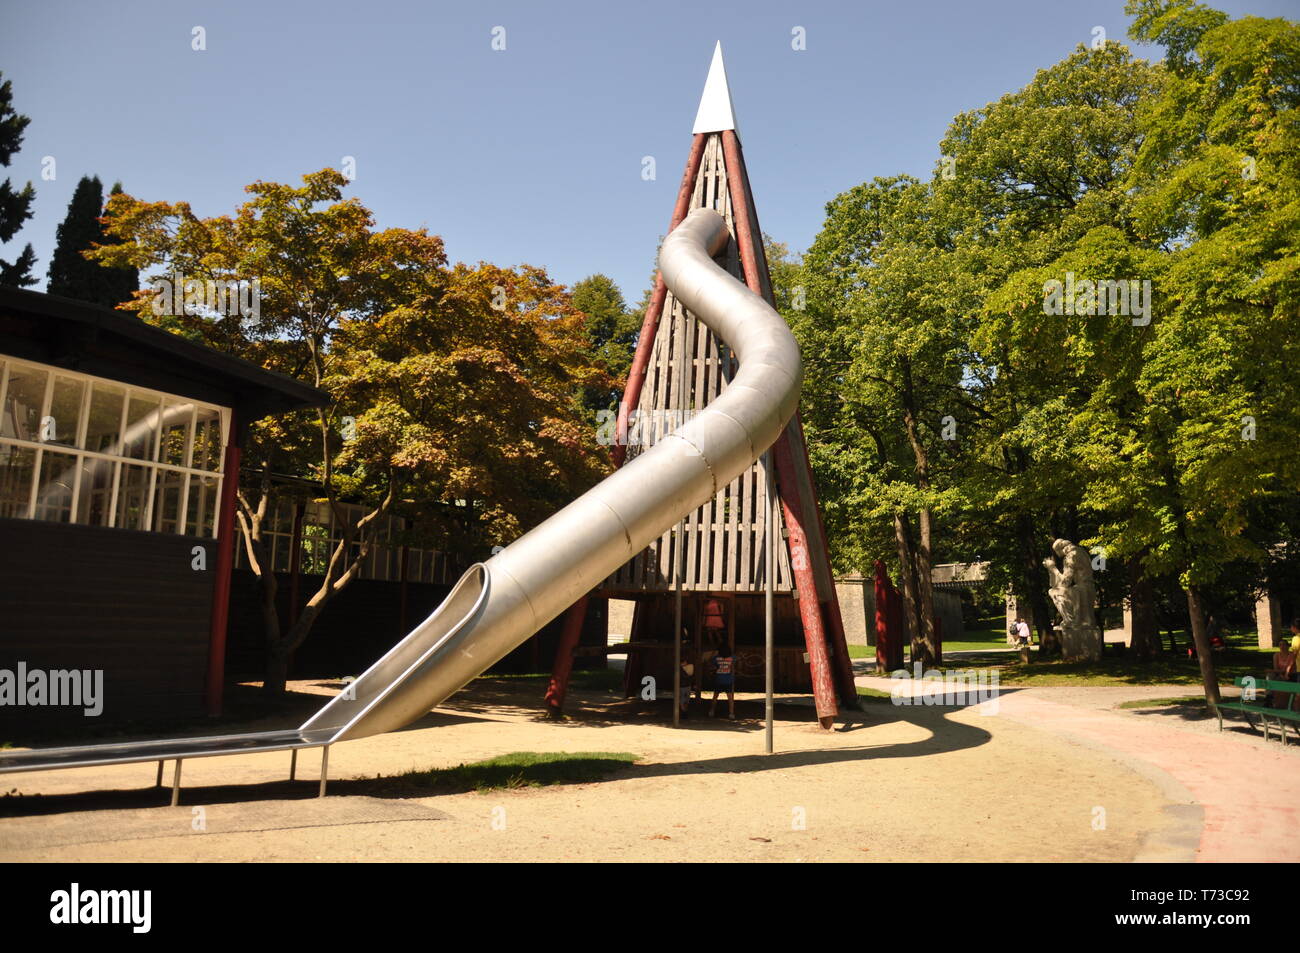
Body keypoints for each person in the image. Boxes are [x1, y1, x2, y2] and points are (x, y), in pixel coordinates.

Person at [710, 641, 737, 719]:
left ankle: (711, 711)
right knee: (730, 697)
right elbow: (735, 661)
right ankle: (731, 713)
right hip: (728, 679)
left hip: (719, 679)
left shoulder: (717, 658)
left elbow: (711, 662)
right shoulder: (732, 658)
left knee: (715, 696)